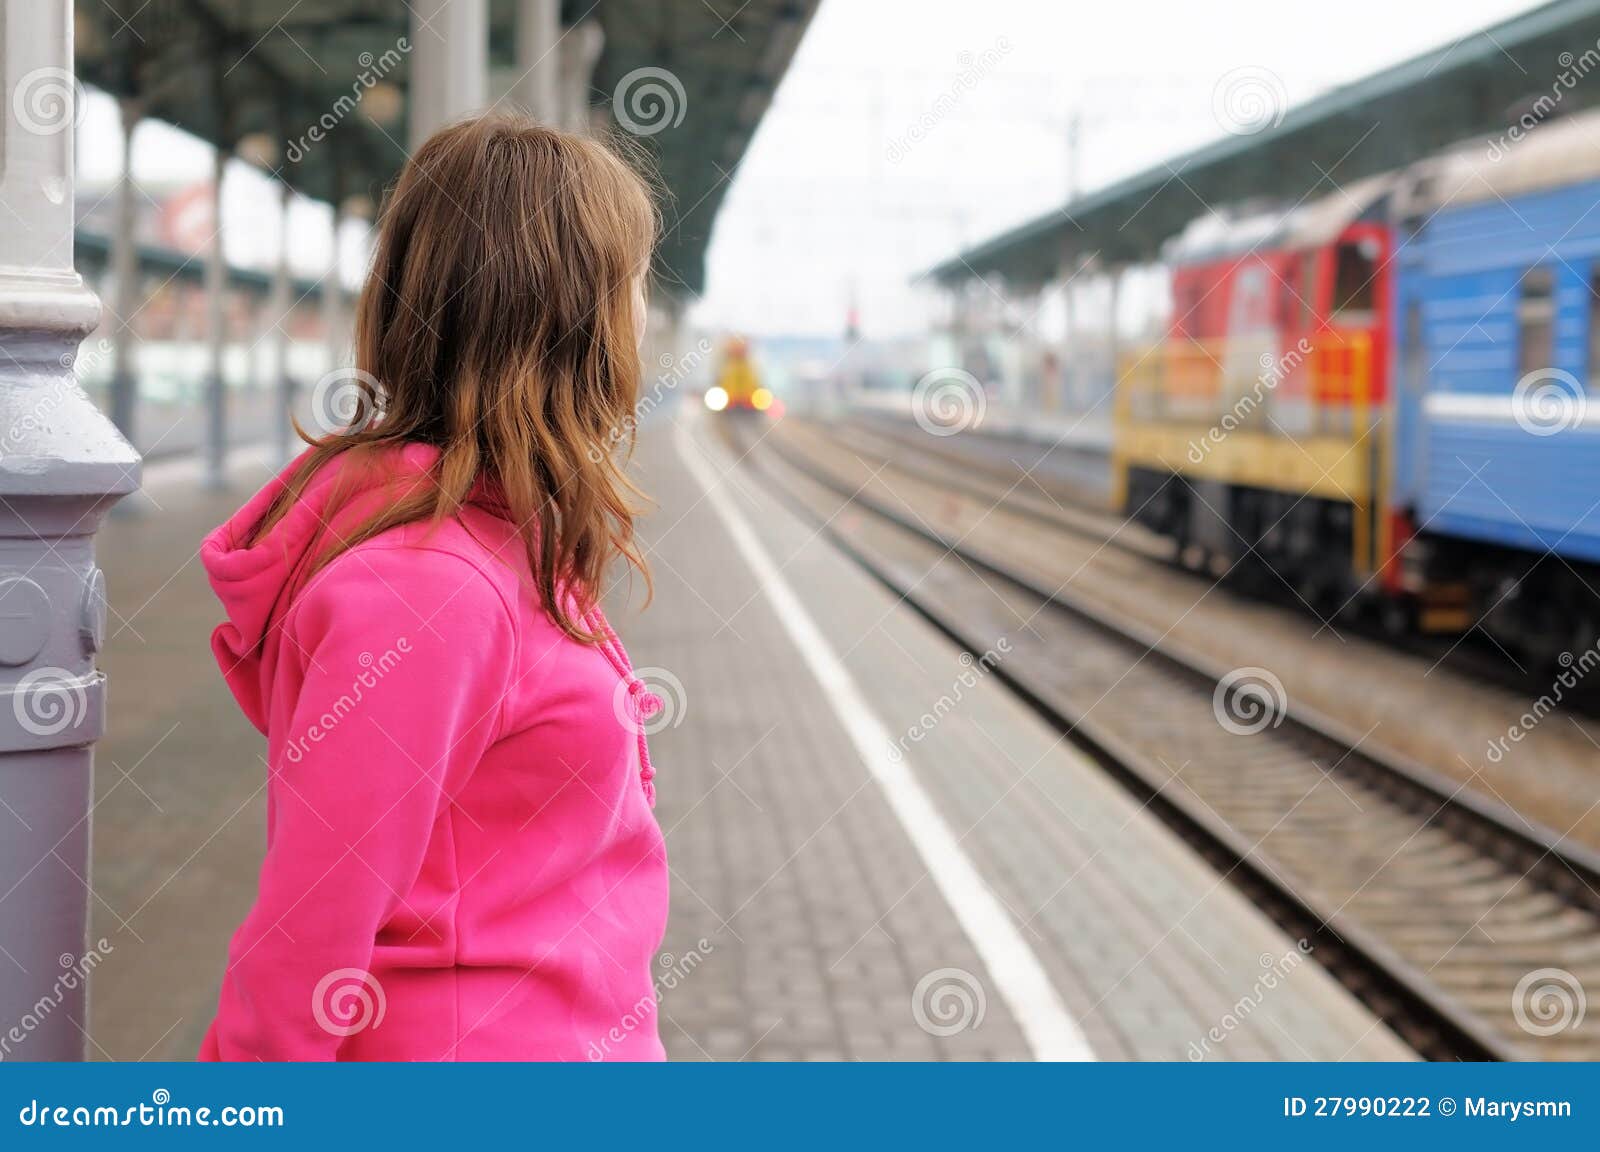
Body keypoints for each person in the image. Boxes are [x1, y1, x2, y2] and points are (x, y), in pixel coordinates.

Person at [196, 115, 669, 1061]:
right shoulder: (427, 593)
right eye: (632, 282)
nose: (644, 314)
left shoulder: (501, 537)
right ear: (567, 312)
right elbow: (303, 950)